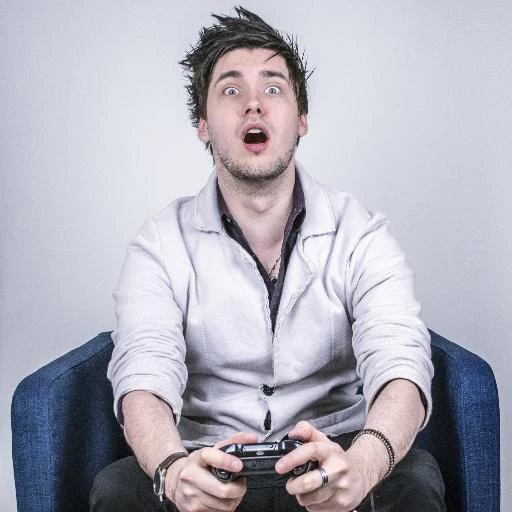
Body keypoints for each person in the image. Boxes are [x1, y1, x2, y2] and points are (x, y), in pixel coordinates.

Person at [90, 6, 445, 512]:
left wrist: (363, 465)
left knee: (416, 481)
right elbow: (144, 371)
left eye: (273, 88)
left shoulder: (361, 234)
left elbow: (400, 360)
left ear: (301, 120)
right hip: (207, 459)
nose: (254, 104)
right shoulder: (160, 243)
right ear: (203, 126)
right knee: (117, 490)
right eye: (231, 90)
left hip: (334, 453)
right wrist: (173, 470)